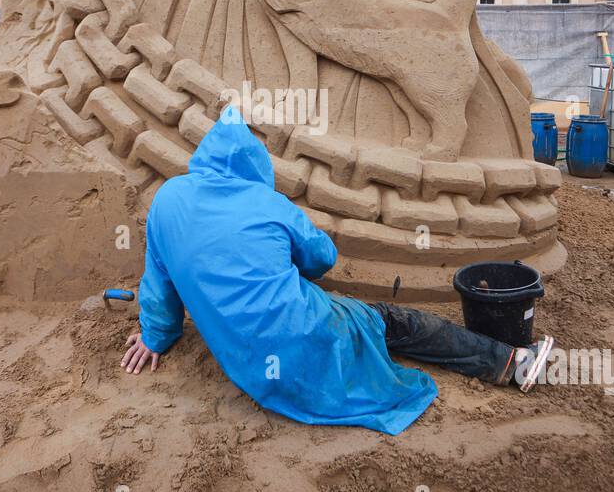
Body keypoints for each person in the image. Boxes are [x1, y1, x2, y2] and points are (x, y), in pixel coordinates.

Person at [120, 109, 554, 435]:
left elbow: (159, 288)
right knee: (398, 322)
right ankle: (513, 362)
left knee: (367, 326)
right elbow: (321, 258)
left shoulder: (166, 200)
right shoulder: (269, 204)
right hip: (305, 334)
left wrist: (156, 337)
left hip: (252, 370)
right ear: (254, 164)